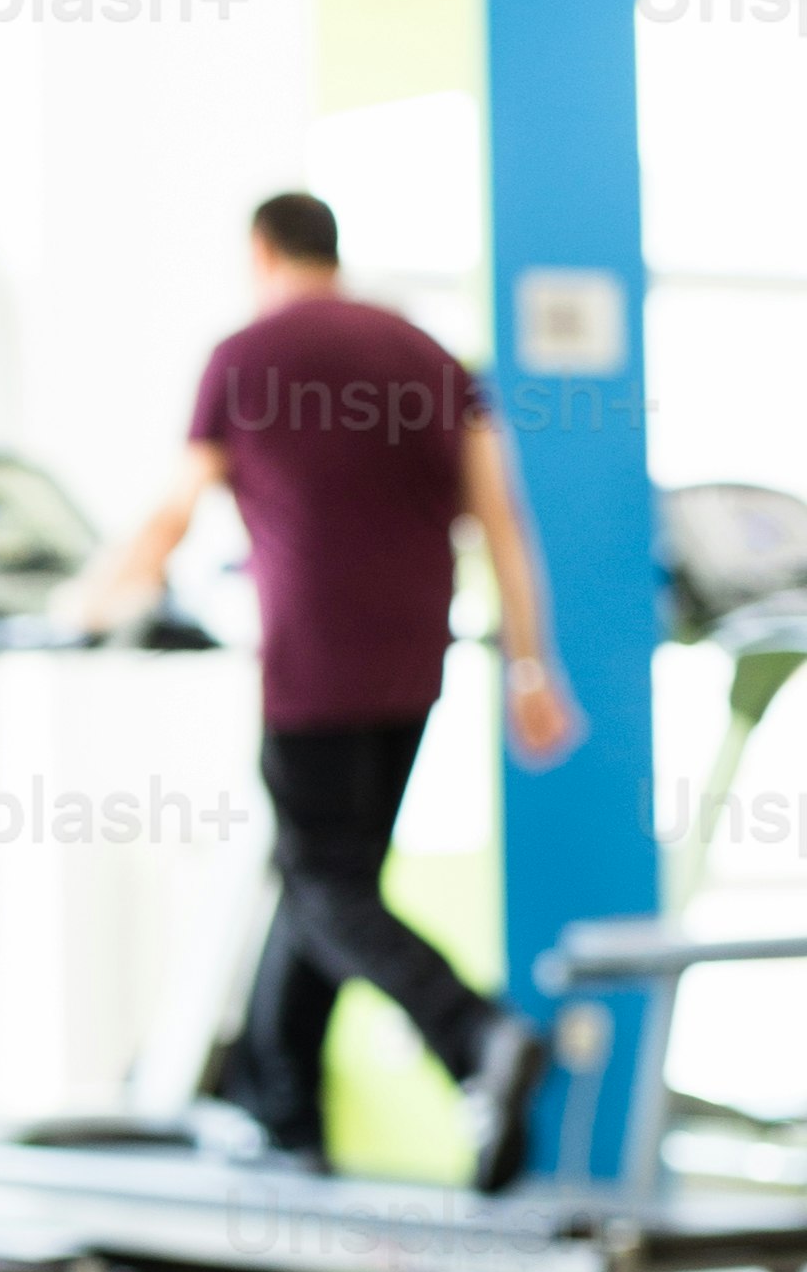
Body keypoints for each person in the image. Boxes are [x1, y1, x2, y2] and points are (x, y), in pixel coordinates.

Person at [66, 188, 580, 1184]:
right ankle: (283, 1105)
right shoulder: (431, 358)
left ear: (261, 251)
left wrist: (91, 598)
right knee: (329, 883)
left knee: (326, 883)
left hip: (313, 662)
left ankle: (477, 1036)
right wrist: (532, 668)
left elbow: (174, 510)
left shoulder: (245, 355)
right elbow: (502, 523)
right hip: (412, 660)